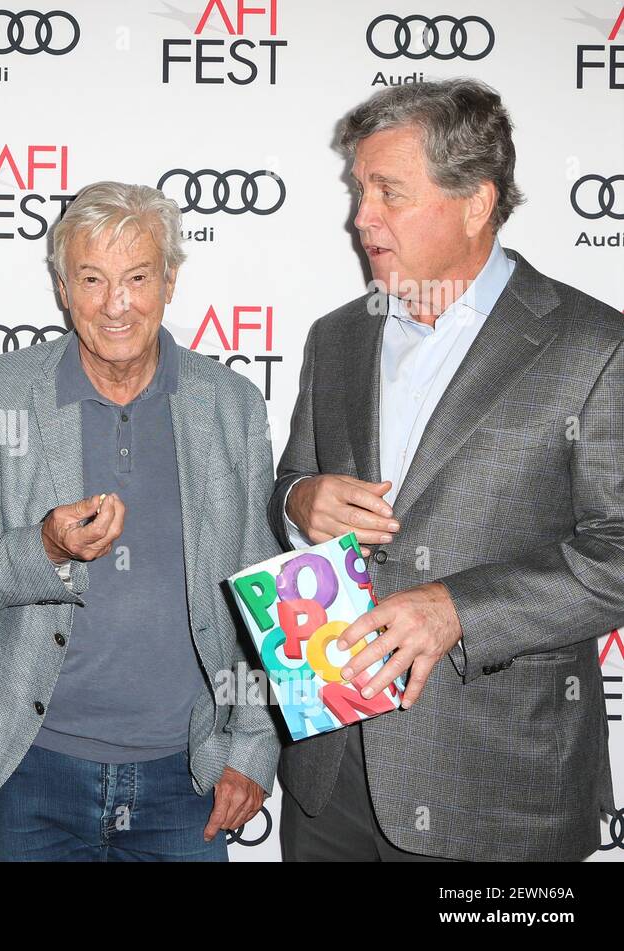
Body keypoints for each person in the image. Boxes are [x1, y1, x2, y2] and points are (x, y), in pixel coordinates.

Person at [271, 78, 620, 862]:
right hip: (329, 783)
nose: (361, 218)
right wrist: (301, 500)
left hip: (495, 795)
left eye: (388, 192)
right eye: (361, 190)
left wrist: (460, 608)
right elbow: (288, 485)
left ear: (474, 203)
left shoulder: (594, 348)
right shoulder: (338, 338)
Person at [0, 182, 281, 862]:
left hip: (188, 773)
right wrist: (43, 546)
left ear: (170, 279)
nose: (116, 304)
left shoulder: (230, 404)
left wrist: (254, 747)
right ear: (62, 286)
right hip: (33, 772)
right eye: (92, 278)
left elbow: (263, 587)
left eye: (138, 276)